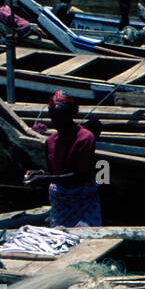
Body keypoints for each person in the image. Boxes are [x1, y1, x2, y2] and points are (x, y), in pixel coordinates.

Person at [23, 92, 101, 227]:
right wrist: (39, 174)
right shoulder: (51, 142)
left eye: (62, 115)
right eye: (54, 115)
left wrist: (45, 179)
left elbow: (80, 176)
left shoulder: (85, 138)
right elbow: (55, 173)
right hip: (61, 203)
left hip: (82, 202)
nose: (58, 119)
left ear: (71, 114)